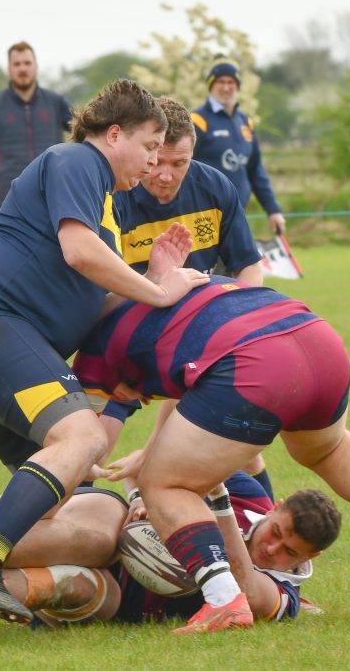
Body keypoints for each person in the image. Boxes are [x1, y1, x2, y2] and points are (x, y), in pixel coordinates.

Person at [0, 78, 210, 626]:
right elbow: (79, 253)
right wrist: (158, 291)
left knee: (53, 496)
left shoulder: (105, 199)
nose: (153, 163)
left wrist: (150, 278)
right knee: (80, 437)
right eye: (149, 147)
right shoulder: (78, 160)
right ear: (115, 134)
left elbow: (88, 297)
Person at [73, 276, 350, 634]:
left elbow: (88, 449)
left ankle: (223, 600)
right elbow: (188, 389)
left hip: (257, 362)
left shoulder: (96, 348)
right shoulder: (180, 286)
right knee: (326, 448)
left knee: (165, 485)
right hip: (317, 338)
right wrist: (154, 449)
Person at [0, 472, 340, 631]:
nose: (272, 547)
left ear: (309, 558)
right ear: (276, 506)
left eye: (288, 550)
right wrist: (143, 496)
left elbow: (245, 587)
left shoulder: (286, 595)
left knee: (82, 586)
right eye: (276, 531)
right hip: (113, 522)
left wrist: (218, 501)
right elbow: (145, 466)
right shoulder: (249, 492)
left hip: (124, 594)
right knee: (102, 536)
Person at [114, 95, 273, 496]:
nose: (165, 175)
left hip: (196, 332)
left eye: (178, 163)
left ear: (192, 155)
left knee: (239, 433)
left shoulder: (215, 187)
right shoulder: (115, 197)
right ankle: (83, 509)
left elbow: (248, 265)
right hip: (122, 332)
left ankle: (263, 516)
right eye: (157, 161)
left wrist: (242, 320)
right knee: (91, 430)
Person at [0, 42, 74, 220]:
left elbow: (86, 134)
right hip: (8, 199)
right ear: (9, 69)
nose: (22, 69)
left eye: (27, 63)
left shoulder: (56, 102)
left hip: (53, 195)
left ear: (36, 66)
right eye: (16, 64)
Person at [191, 56, 286, 235]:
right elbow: (180, 165)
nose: (226, 87)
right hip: (201, 216)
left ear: (238, 86)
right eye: (220, 82)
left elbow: (255, 170)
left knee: (245, 263)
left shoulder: (245, 122)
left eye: (231, 82)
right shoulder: (197, 120)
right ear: (211, 85)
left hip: (236, 215)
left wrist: (273, 210)